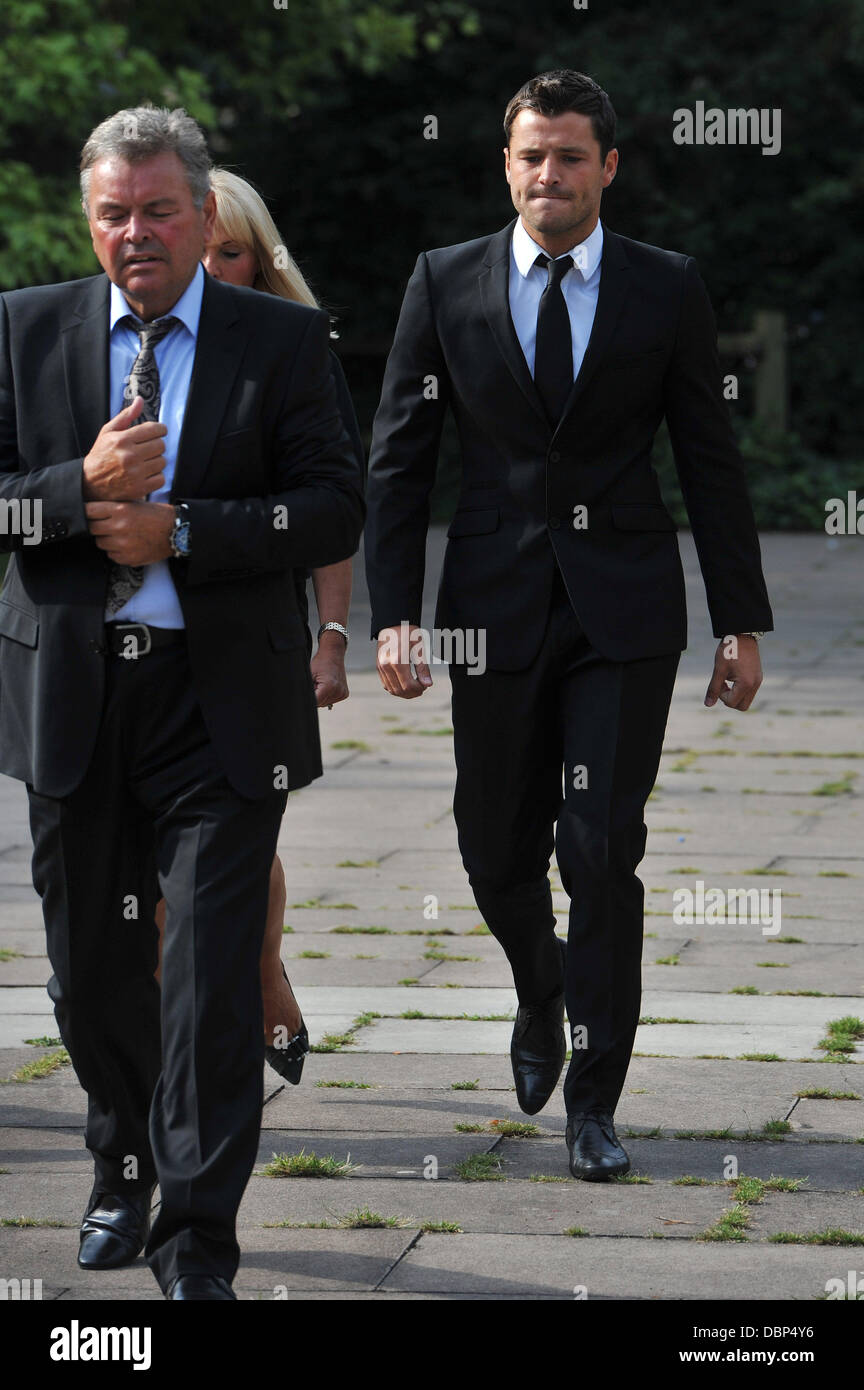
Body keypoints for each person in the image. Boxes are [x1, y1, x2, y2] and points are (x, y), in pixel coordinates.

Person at [365, 70, 772, 1182]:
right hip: (488, 614)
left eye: (572, 156)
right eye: (532, 155)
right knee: (493, 846)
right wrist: (391, 615)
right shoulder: (444, 282)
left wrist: (742, 621)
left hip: (623, 613)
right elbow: (400, 460)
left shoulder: (664, 286)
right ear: (506, 164)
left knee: (599, 849)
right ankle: (540, 988)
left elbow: (708, 456)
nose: (551, 174)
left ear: (609, 168)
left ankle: (594, 1103)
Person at [0, 105, 364, 1297]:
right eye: (115, 213)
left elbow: (330, 507)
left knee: (211, 980)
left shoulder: (281, 341)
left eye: (161, 210)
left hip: (220, 713)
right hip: (74, 699)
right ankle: (124, 1153)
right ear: (88, 219)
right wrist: (74, 489)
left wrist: (187, 531)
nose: (138, 233)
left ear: (205, 215)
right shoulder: (24, 330)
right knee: (90, 975)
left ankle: (196, 1240)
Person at [150, 168, 364, 1085]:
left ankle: (261, 969)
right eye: (200, 242)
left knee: (240, 843)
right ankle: (181, 1025)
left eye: (228, 249)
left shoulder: (290, 353)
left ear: (256, 260)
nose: (206, 262)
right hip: (126, 650)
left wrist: (334, 633)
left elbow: (331, 508)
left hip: (248, 643)